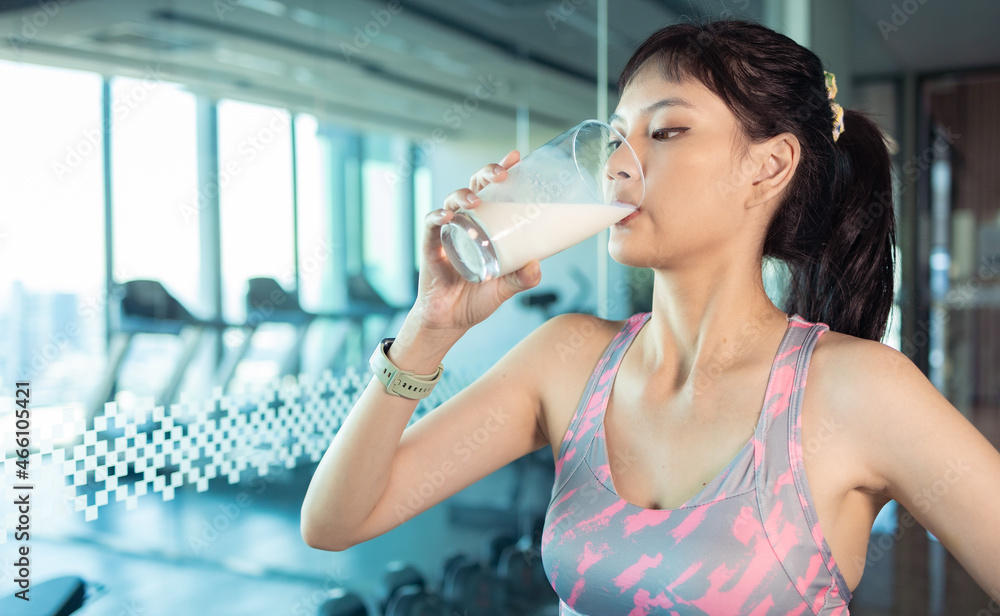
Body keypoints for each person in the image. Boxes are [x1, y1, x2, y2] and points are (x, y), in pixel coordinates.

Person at [301, 18, 1000, 614]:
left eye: (665, 132)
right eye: (616, 137)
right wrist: (431, 327)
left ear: (769, 165)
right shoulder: (568, 359)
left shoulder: (859, 390)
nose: (617, 167)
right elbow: (336, 520)